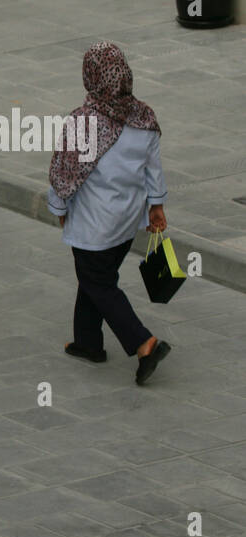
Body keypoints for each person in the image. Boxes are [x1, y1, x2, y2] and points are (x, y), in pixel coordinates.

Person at [47, 42, 171, 385]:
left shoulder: (83, 121)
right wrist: (156, 207)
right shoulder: (143, 117)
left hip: (93, 224)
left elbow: (65, 172)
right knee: (94, 278)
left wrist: (58, 208)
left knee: (98, 282)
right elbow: (153, 171)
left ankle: (143, 343)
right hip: (127, 222)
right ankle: (88, 343)